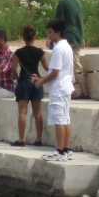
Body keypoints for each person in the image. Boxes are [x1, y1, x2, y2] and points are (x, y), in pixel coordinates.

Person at [33, 19, 74, 161]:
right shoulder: (68, 46)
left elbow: (56, 72)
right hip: (66, 87)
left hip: (59, 89)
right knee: (65, 119)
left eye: (50, 33)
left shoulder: (58, 49)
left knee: (59, 120)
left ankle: (60, 151)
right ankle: (67, 149)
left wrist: (41, 82)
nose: (49, 36)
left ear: (58, 32)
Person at [9, 24, 47, 147]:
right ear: (35, 38)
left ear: (24, 39)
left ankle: (21, 139)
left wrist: (18, 79)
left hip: (24, 80)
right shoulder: (40, 51)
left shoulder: (19, 52)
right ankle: (39, 139)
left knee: (22, 112)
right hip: (36, 81)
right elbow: (47, 67)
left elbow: (13, 69)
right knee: (37, 113)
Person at [55, 0, 88, 98]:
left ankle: (72, 91)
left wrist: (53, 38)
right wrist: (82, 37)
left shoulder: (63, 3)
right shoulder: (78, 2)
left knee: (67, 65)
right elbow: (80, 21)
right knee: (76, 63)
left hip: (67, 37)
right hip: (78, 37)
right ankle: (84, 91)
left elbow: (59, 22)